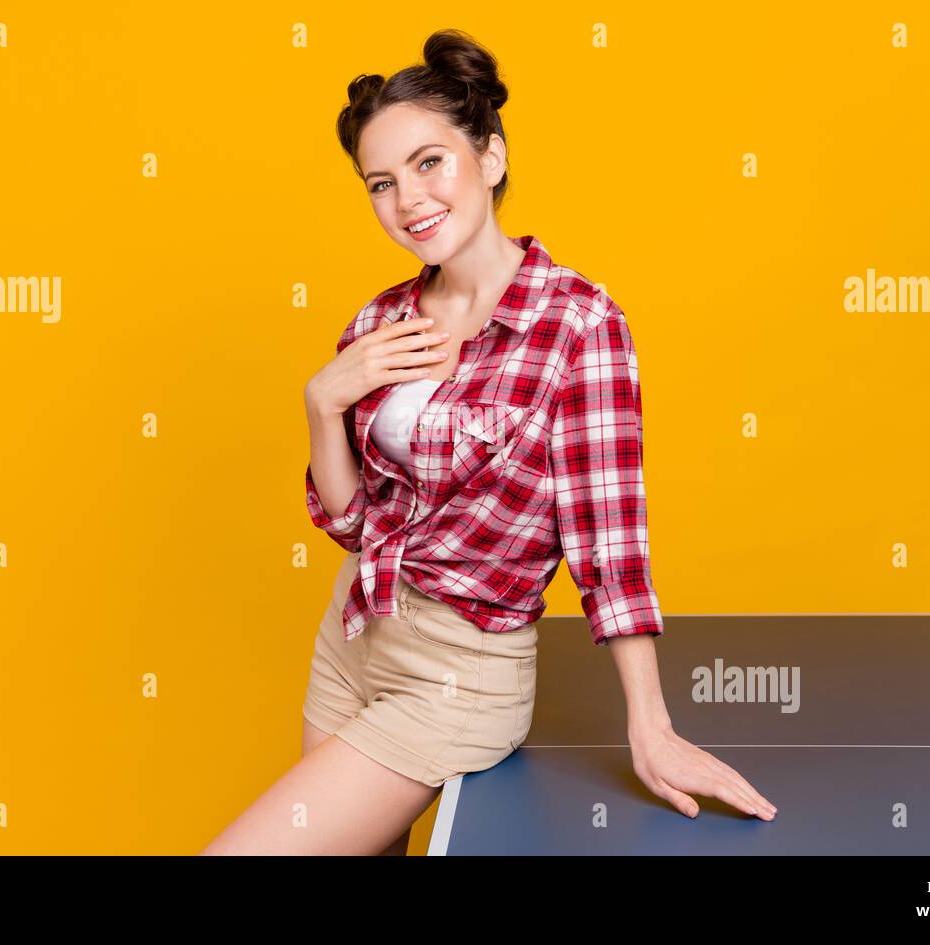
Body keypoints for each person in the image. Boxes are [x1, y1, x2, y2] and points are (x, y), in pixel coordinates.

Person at [201, 28, 776, 856]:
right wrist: (322, 403)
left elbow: (608, 544)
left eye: (430, 162)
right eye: (381, 183)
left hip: (456, 674)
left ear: (492, 158)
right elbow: (354, 525)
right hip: (353, 636)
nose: (408, 201)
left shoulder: (578, 326)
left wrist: (649, 727)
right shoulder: (378, 324)